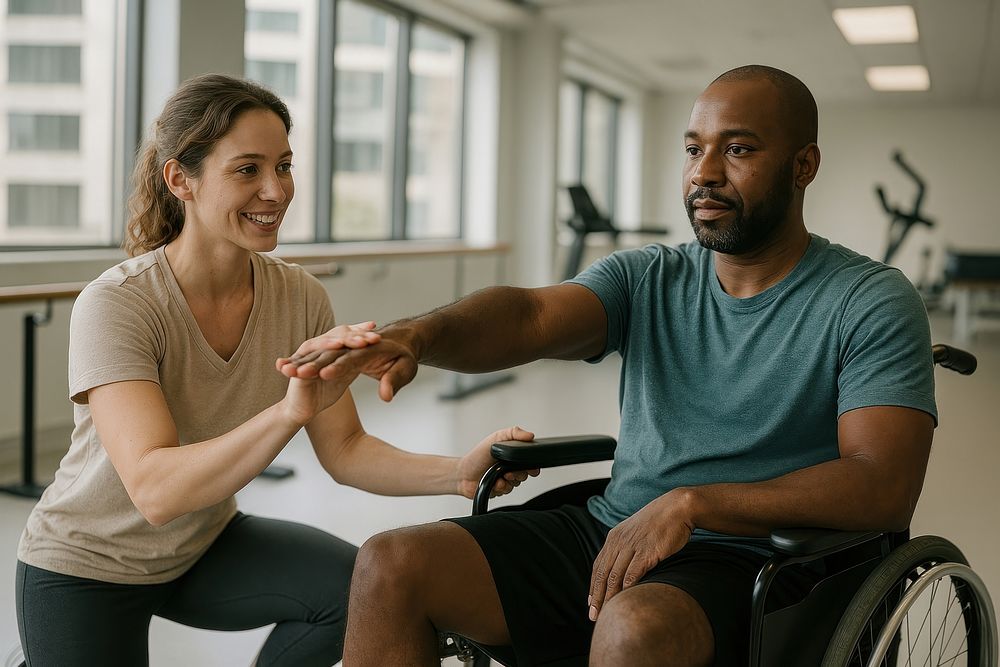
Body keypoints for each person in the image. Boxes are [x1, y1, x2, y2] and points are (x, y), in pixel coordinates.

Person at [278, 65, 938, 666]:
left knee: (632, 629)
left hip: (763, 561)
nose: (703, 172)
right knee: (389, 562)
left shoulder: (869, 299)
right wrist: (420, 333)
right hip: (615, 530)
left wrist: (695, 502)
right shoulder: (651, 276)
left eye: (737, 149)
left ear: (803, 165)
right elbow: (529, 316)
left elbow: (880, 483)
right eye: (692, 149)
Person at [14, 73, 535, 667]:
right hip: (86, 564)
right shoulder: (119, 303)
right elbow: (155, 491)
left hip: (200, 547)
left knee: (360, 593)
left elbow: (346, 450)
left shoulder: (298, 297)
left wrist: (461, 475)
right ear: (179, 179)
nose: (275, 190)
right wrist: (290, 410)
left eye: (283, 166)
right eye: (247, 170)